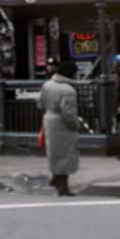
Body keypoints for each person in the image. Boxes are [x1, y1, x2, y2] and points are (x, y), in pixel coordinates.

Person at [39, 59, 81, 196]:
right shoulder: (68, 90)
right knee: (66, 154)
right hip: (61, 124)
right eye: (76, 73)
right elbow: (68, 114)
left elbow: (40, 103)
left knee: (54, 153)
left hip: (49, 119)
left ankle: (56, 178)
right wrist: (76, 124)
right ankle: (63, 187)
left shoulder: (47, 84)